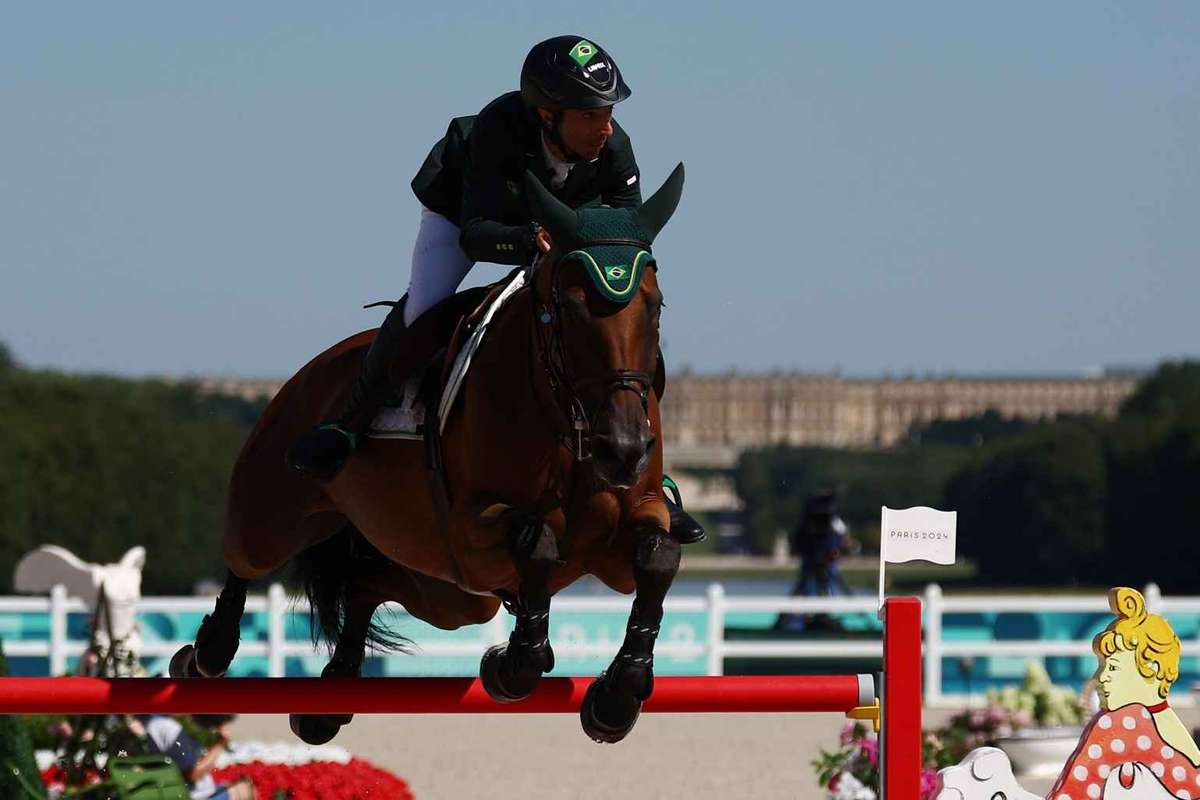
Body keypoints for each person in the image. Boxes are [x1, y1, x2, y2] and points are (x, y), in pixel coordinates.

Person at [286, 35, 704, 543]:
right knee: (424, 306)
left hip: (561, 231)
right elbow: (476, 233)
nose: (606, 127)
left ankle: (655, 482)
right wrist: (528, 240)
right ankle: (347, 426)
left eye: (608, 112)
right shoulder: (498, 130)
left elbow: (624, 240)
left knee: (624, 327)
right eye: (590, 115)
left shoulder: (614, 148)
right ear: (548, 115)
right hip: (468, 215)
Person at [1047, 587, 1200, 799]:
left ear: (1153, 668)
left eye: (1112, 667)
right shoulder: (1145, 726)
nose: (1100, 677)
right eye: (1101, 666)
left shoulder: (1119, 725)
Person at [776, 490, 852, 631]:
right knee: (809, 589)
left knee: (825, 588)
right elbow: (801, 541)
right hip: (811, 562)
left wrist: (830, 554)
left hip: (826, 565)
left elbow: (837, 542)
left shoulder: (833, 524)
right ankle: (810, 616)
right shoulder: (808, 526)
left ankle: (823, 615)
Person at [142, 713, 255, 799]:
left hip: (193, 790)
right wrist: (221, 744)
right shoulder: (170, 728)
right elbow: (192, 774)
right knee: (246, 790)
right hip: (196, 795)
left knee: (242, 787)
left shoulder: (159, 724)